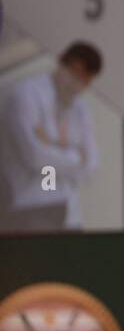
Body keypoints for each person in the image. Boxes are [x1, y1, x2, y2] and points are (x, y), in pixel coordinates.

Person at [1, 42, 101, 232]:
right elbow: (35, 156)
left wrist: (52, 144)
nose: (77, 81)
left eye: (84, 77)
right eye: (75, 71)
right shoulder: (26, 95)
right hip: (31, 206)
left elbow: (91, 166)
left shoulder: (80, 108)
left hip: (70, 214)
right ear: (63, 61)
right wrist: (75, 154)